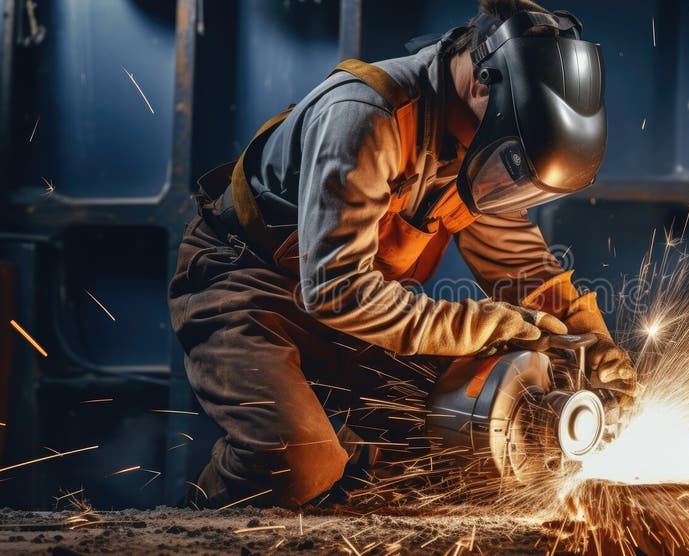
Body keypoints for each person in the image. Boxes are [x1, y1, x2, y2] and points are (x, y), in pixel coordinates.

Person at [168, 0, 636, 509]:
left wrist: (591, 345)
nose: (507, 185)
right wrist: (477, 325)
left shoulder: (488, 144)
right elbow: (337, 290)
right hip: (245, 283)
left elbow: (524, 271)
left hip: (359, 303)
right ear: (482, 83)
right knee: (299, 460)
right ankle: (194, 528)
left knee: (446, 442)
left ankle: (348, 477)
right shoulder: (368, 117)